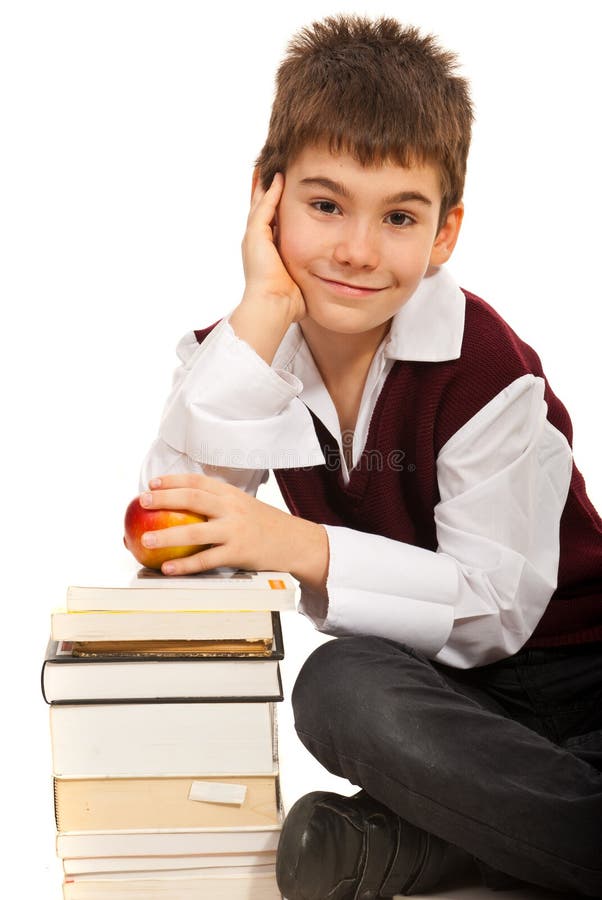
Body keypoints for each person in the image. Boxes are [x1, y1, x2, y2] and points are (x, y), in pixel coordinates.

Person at [137, 14, 602, 899]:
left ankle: (435, 842)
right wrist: (260, 313)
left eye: (398, 217)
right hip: (448, 706)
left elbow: (495, 608)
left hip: (580, 673)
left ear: (444, 232)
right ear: (267, 198)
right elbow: (173, 528)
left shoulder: (486, 368)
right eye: (325, 205)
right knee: (339, 686)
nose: (357, 250)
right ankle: (517, 830)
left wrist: (293, 544)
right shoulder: (243, 352)